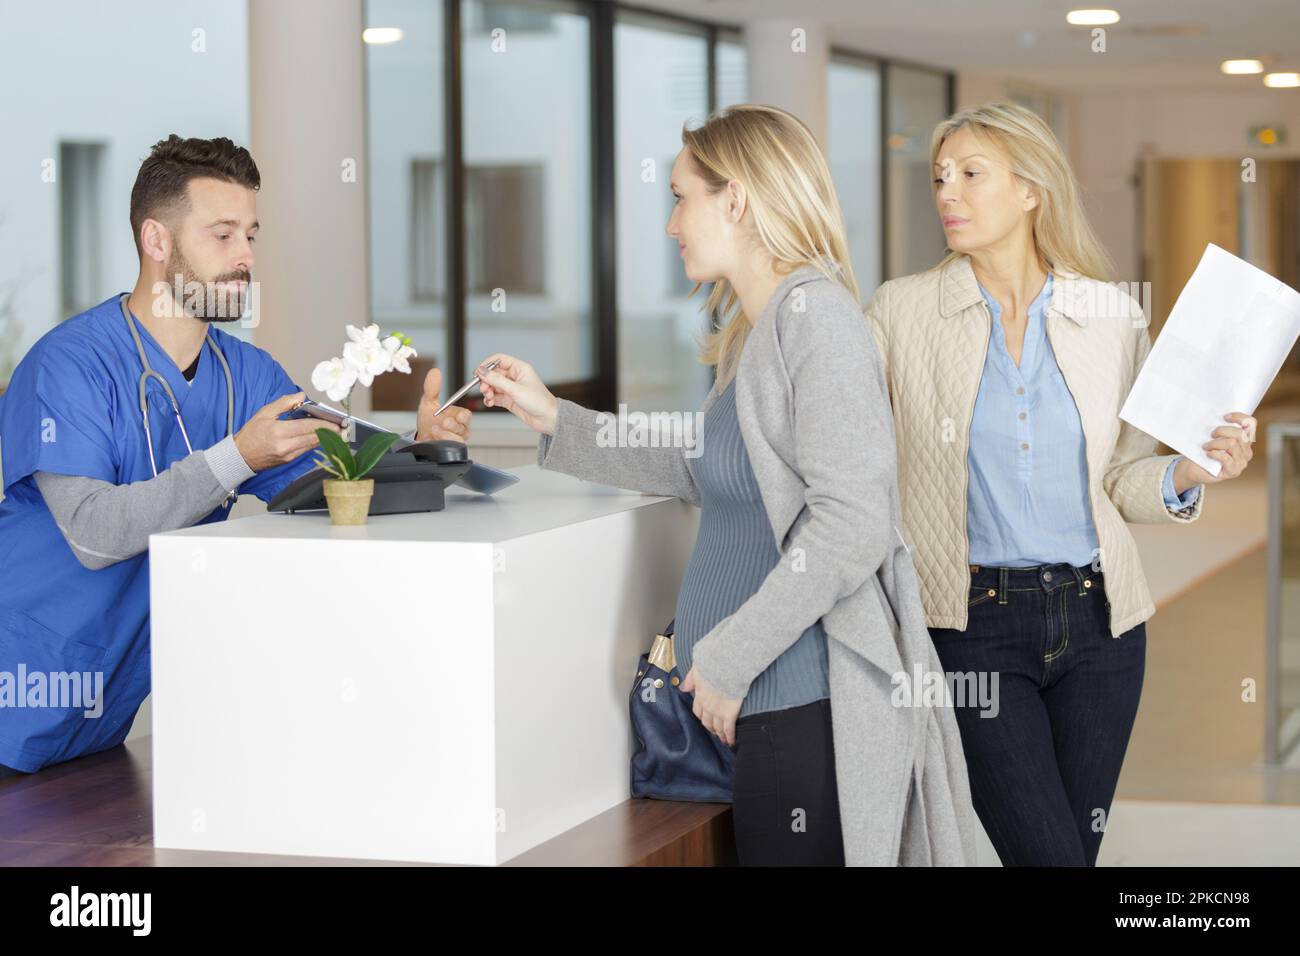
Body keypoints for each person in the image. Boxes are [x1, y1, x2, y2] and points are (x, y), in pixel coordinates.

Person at [474, 105, 977, 866]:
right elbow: (702, 468)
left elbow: (850, 522)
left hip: (796, 700)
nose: (672, 223)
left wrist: (730, 657)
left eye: (682, 197)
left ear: (736, 199)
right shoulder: (757, 329)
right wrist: (555, 418)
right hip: (760, 702)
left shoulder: (819, 322)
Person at [0, 135, 471, 777]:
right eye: (222, 235)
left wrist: (425, 452)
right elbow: (94, 535)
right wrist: (238, 457)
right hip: (18, 675)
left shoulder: (248, 375)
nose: (246, 256)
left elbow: (345, 485)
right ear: (156, 241)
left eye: (251, 234)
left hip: (102, 716)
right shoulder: (69, 364)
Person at [863, 102, 1256, 865]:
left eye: (972, 174)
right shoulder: (900, 313)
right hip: (970, 627)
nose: (948, 192)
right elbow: (861, 460)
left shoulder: (1108, 316)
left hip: (1103, 629)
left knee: (1072, 851)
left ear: (1031, 189)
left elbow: (1122, 477)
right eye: (941, 176)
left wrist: (1188, 471)